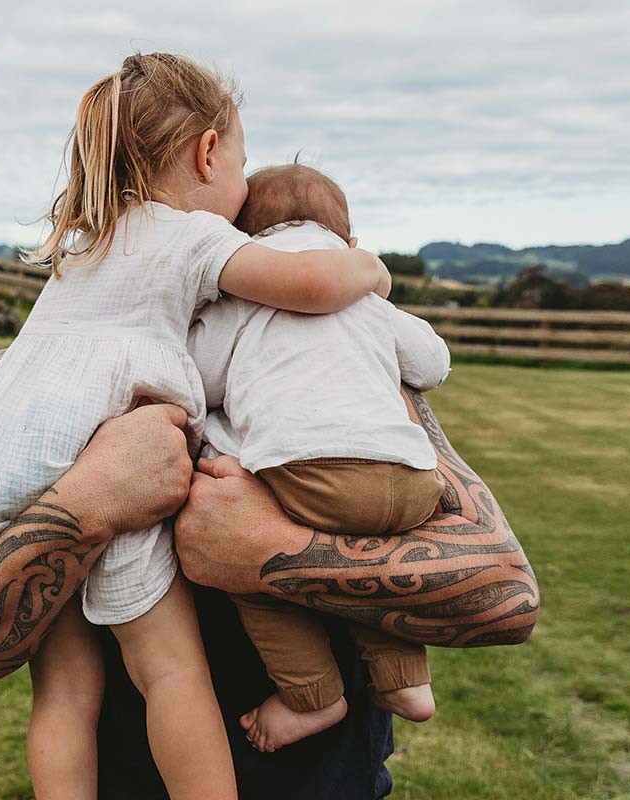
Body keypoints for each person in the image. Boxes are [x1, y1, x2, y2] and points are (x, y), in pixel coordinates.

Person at [0, 53, 391, 800]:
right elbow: (308, 285)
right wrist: (365, 270)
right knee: (171, 673)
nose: (242, 186)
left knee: (64, 695)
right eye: (240, 162)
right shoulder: (187, 236)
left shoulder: (86, 249)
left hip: (2, 472)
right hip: (99, 465)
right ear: (208, 153)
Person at [0, 351, 540, 798]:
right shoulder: (2, 386)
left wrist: (273, 549)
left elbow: (505, 594)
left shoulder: (341, 366)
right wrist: (87, 503)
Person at [188, 163, 452, 752]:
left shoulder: (244, 297)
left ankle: (312, 696)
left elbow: (198, 380)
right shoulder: (369, 301)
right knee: (374, 558)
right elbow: (432, 364)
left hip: (312, 471)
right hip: (411, 479)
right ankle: (406, 680)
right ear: (350, 245)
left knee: (247, 567)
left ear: (245, 244)